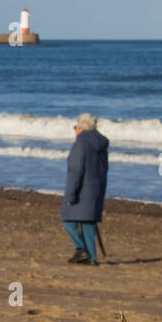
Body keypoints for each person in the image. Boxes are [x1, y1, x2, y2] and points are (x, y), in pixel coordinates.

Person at [61, 112, 109, 266]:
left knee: (68, 219)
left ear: (80, 128)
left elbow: (75, 170)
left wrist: (70, 194)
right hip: (96, 188)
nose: (74, 130)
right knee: (88, 223)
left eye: (75, 127)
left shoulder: (80, 144)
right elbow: (104, 169)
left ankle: (81, 249)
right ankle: (92, 258)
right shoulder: (101, 145)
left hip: (82, 188)